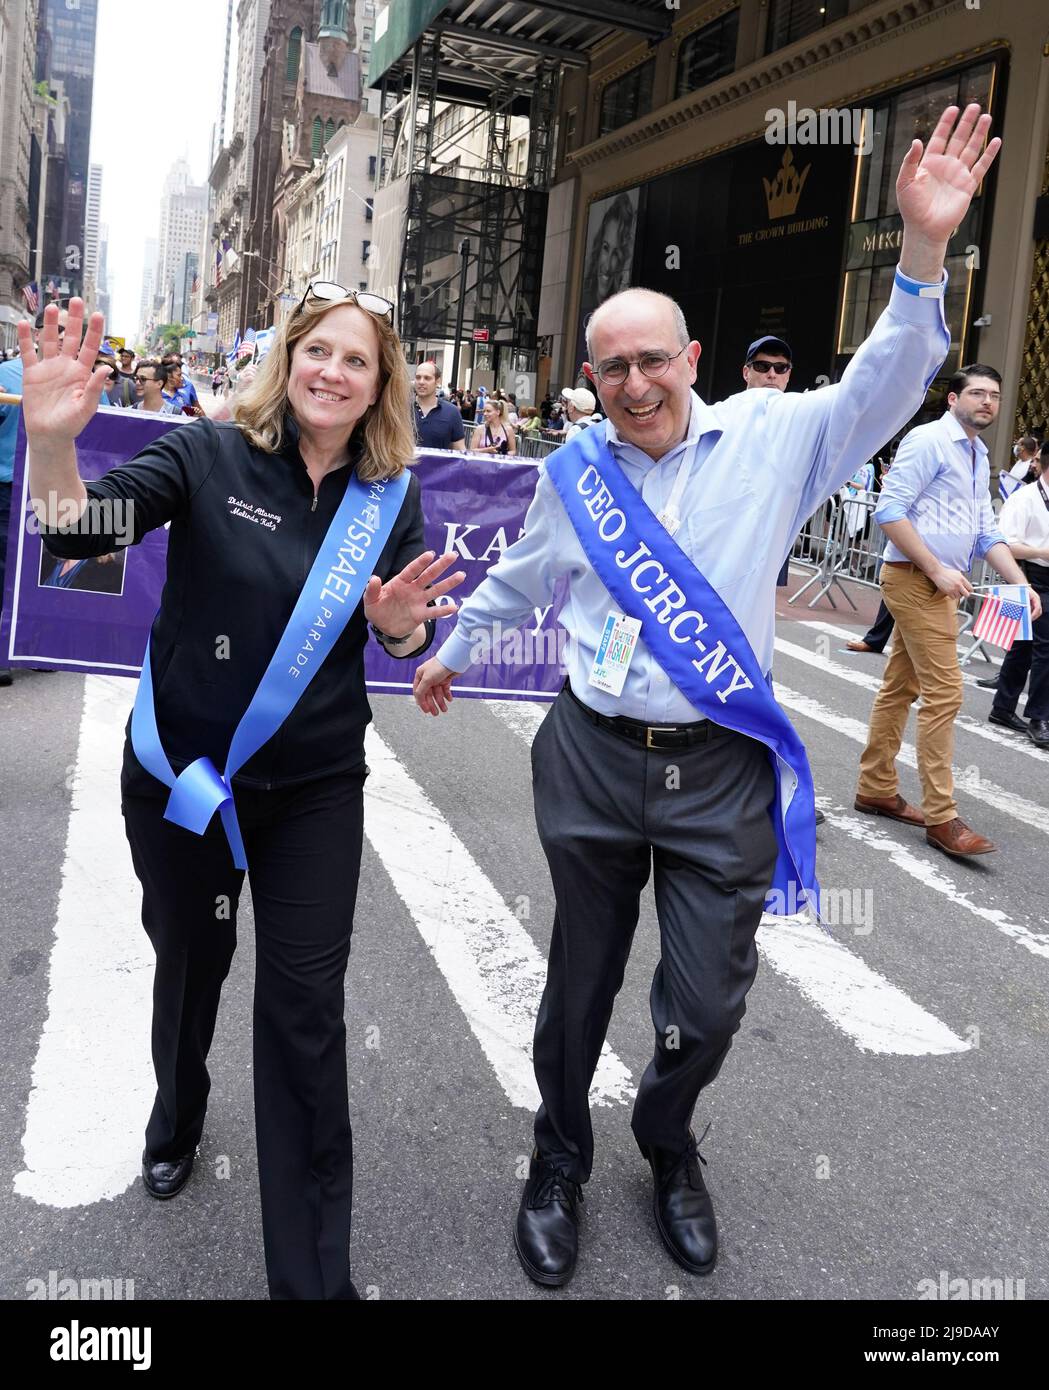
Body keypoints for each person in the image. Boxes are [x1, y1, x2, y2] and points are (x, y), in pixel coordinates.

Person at [414, 103, 999, 1290]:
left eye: (652, 359)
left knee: (707, 997)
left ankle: (666, 1137)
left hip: (716, 764)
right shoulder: (572, 472)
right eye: (611, 365)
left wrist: (923, 253)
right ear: (591, 379)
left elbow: (884, 386)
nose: (634, 382)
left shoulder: (777, 437)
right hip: (586, 750)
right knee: (578, 976)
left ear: (691, 359)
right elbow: (525, 573)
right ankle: (558, 1155)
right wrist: (450, 648)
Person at [21, 285, 465, 1300]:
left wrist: (397, 624)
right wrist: (52, 447)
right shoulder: (206, 454)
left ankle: (311, 1280)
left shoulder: (390, 495)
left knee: (305, 1009)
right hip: (183, 783)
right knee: (193, 963)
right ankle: (176, 1112)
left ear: (379, 385)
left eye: (356, 361)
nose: (332, 372)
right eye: (318, 351)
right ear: (287, 357)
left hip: (313, 788)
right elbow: (77, 548)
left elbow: (406, 633)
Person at [855, 362, 1041, 857]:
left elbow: (986, 533)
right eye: (977, 393)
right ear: (953, 399)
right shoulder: (927, 442)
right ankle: (942, 815)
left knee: (900, 687)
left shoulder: (979, 456)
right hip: (917, 581)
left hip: (937, 585)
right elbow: (889, 512)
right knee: (946, 692)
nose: (987, 402)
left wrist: (1020, 583)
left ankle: (875, 785)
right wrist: (936, 568)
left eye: (995, 396)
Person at [0, 302, 70, 688]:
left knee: (40, 571)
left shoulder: (79, 379)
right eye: (51, 330)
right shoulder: (5, 375)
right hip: (6, 487)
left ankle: (35, 645)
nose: (56, 338)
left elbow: (108, 429)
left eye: (62, 333)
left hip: (49, 493)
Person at [986, 441, 1049, 747]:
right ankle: (1039, 717)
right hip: (1029, 574)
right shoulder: (1025, 498)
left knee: (1023, 643)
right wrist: (1042, 552)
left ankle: (1002, 707)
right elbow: (1004, 543)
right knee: (1044, 649)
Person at [413, 359, 465, 451]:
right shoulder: (400, 408)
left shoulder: (452, 412)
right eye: (418, 377)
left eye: (427, 378)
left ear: (437, 381)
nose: (421, 382)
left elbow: (459, 450)